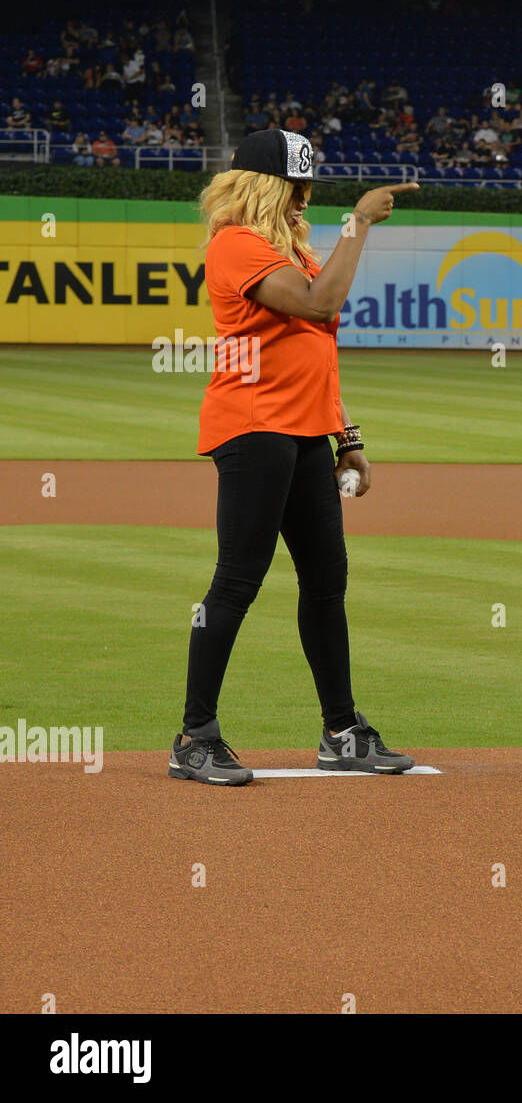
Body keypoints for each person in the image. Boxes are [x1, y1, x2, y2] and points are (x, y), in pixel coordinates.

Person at [174, 129, 419, 786]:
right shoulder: (236, 245)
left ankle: (341, 730)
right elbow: (321, 305)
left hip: (307, 432)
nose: (304, 198)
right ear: (263, 186)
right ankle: (194, 735)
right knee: (237, 579)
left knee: (326, 578)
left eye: (308, 189)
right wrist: (360, 221)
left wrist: (348, 435)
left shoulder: (294, 252)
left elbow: (316, 350)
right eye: (296, 187)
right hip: (253, 428)